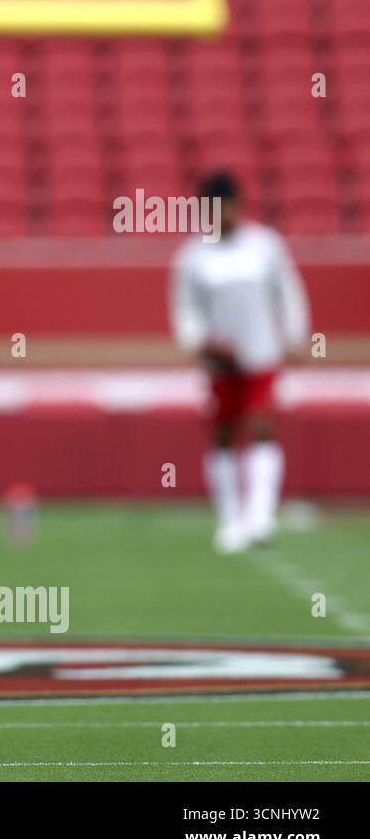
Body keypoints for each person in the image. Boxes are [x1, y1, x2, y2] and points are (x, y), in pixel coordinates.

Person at [171, 172, 311, 554]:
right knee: (223, 435)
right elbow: (186, 311)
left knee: (263, 425)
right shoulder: (193, 257)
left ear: (238, 206)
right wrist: (200, 342)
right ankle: (230, 518)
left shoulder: (265, 247)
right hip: (221, 363)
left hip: (261, 354)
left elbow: (288, 292)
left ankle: (260, 515)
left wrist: (295, 335)